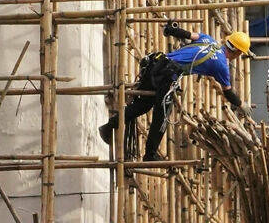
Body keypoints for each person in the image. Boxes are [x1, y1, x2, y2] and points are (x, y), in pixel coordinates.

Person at [98, 22, 252, 161]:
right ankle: (150, 155)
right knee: (162, 116)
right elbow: (228, 92)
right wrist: (241, 104)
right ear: (237, 52)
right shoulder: (221, 66)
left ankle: (108, 127)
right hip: (166, 75)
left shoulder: (209, 40)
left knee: (143, 105)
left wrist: (170, 30)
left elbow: (186, 34)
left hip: (155, 64)